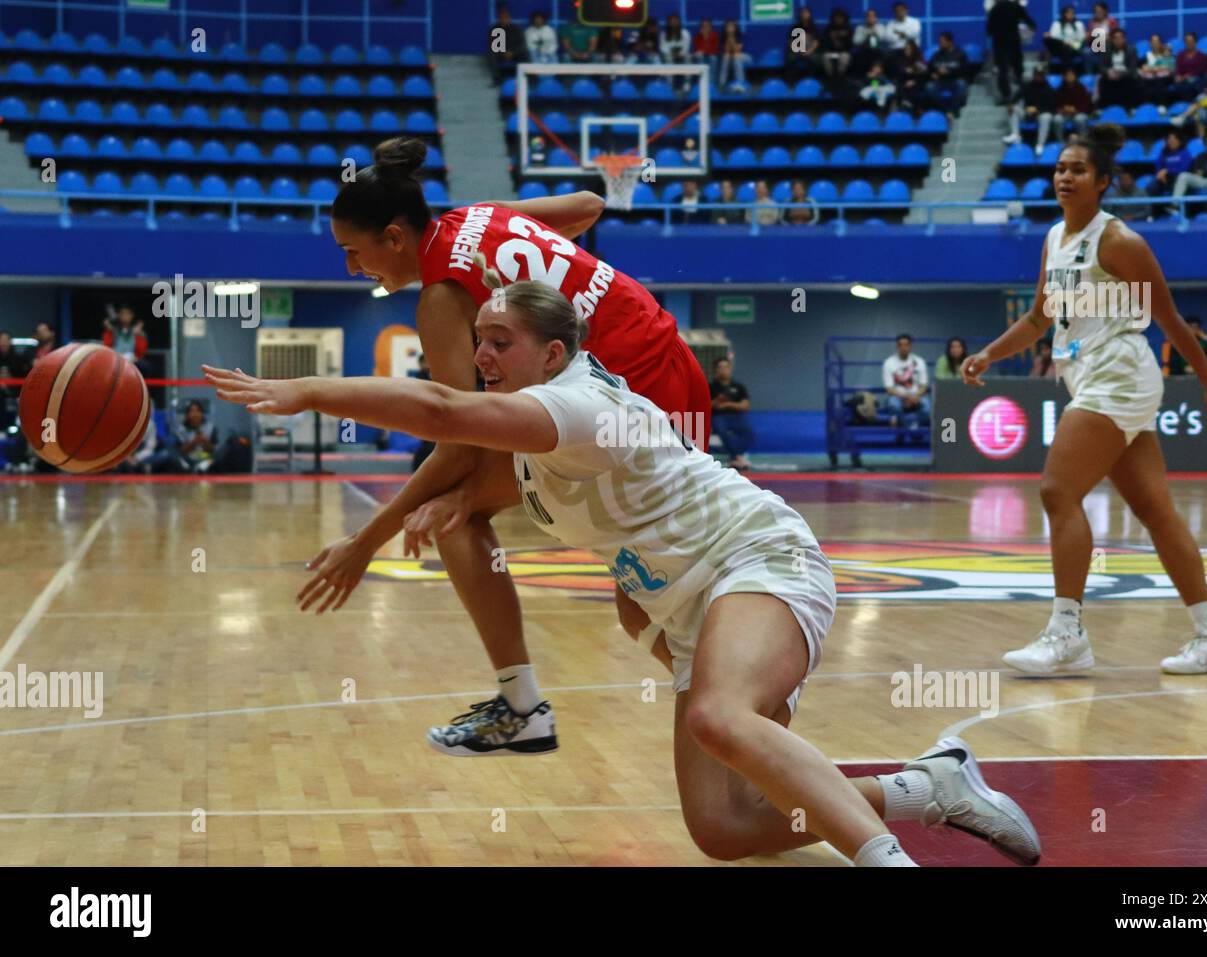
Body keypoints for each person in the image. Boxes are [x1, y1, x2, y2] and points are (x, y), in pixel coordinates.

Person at [204, 282, 1043, 869]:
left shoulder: (579, 405)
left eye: (501, 342)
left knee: (720, 716)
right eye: (479, 339)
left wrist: (309, 389)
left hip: (758, 559)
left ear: (554, 353)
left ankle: (887, 860)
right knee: (723, 826)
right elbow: (500, 477)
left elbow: (446, 412)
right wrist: (442, 508)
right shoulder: (542, 431)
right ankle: (927, 785)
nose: (483, 352)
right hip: (691, 610)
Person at [316, 137, 714, 757]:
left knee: (459, 514)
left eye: (352, 252)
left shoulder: (442, 296)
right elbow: (588, 202)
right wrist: (501, 227)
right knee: (638, 608)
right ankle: (726, 702)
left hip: (635, 401)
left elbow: (455, 445)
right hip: (669, 365)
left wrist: (363, 543)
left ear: (395, 237)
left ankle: (538, 706)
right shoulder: (482, 217)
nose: (349, 268)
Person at [959, 123, 1207, 676]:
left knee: (1056, 490)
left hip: (1119, 373)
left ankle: (1068, 633)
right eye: (1061, 168)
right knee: (1155, 511)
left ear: (1103, 182)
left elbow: (1168, 317)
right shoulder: (1054, 238)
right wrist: (989, 354)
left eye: (1079, 170)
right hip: (1086, 374)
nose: (1065, 176)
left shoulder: (1119, 242)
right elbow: (1040, 317)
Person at [987, 0, 1037, 105]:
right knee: (1018, 68)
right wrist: (1031, 28)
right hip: (1013, 40)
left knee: (1002, 70)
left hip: (999, 42)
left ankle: (1006, 95)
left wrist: (994, 32)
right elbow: (1029, 21)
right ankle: (1021, 93)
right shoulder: (1016, 6)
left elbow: (989, 29)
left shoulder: (995, 8)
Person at [710, 357, 755, 470]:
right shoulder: (710, 387)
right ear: (716, 370)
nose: (725, 370)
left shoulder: (738, 387)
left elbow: (745, 406)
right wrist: (718, 400)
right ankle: (736, 457)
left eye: (727, 367)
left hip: (736, 416)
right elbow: (707, 406)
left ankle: (736, 456)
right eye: (721, 367)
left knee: (749, 432)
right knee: (722, 431)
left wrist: (727, 404)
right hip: (718, 417)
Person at [1005, 66, 1057, 156]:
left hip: (1041, 114)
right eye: (1037, 75)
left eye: (1041, 75)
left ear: (1044, 76)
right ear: (1034, 75)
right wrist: (1011, 104)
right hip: (1027, 113)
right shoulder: (1027, 85)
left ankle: (1040, 144)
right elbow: (1016, 96)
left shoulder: (1049, 89)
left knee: (1046, 117)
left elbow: (1052, 107)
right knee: (1013, 108)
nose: (1039, 77)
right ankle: (1015, 134)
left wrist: (1038, 111)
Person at [882, 333, 930, 431]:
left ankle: (910, 427)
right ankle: (911, 430)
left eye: (906, 345)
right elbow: (889, 389)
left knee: (928, 408)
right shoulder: (889, 363)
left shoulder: (920, 361)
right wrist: (907, 397)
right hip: (897, 397)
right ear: (897, 346)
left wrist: (915, 396)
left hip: (917, 396)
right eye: (900, 345)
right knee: (893, 405)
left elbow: (923, 385)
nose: (903, 347)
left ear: (910, 346)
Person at [1172, 131, 1207, 211]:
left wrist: (1205, 171)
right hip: (1200, 180)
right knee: (1183, 176)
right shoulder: (1201, 156)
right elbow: (1195, 170)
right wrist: (1205, 171)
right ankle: (1174, 205)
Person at [925, 32, 969, 114]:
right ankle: (944, 110)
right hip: (940, 81)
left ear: (950, 42)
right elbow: (929, 68)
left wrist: (949, 72)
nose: (940, 44)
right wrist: (933, 74)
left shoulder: (960, 54)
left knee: (962, 84)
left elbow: (965, 70)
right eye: (940, 42)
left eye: (942, 42)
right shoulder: (937, 54)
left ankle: (954, 109)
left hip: (955, 80)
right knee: (929, 87)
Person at [1096, 28, 1139, 110]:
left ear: (1124, 39)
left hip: (1125, 75)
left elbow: (1133, 68)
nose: (1118, 40)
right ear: (1112, 39)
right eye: (1116, 38)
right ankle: (1105, 108)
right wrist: (1108, 72)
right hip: (1110, 75)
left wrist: (1121, 74)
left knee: (1134, 79)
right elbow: (1101, 66)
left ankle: (1130, 108)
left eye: (1121, 38)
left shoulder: (1131, 49)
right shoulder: (1105, 49)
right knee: (1102, 80)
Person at [1150, 131, 1192, 210]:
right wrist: (1160, 174)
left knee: (1179, 181)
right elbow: (1158, 165)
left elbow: (1184, 169)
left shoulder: (1185, 153)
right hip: (1164, 178)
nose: (1171, 142)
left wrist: (1168, 171)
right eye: (1169, 140)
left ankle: (1174, 208)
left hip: (1178, 178)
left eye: (1173, 140)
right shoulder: (1164, 153)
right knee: (1151, 185)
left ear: (1179, 141)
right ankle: (1152, 212)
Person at [172, 400, 217, 473]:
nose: (195, 414)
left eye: (198, 411)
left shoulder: (211, 428)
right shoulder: (181, 429)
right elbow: (181, 450)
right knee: (171, 454)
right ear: (187, 414)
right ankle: (188, 468)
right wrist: (194, 442)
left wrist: (204, 441)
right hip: (186, 459)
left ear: (202, 414)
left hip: (206, 458)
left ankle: (201, 467)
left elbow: (213, 449)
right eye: (192, 411)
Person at [1052, 66, 1093, 143]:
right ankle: (1060, 141)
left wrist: (1076, 109)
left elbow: (1086, 104)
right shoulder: (1059, 89)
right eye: (1068, 75)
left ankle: (1083, 141)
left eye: (1072, 75)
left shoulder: (1081, 88)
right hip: (1064, 113)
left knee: (1080, 119)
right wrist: (1063, 109)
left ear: (1075, 76)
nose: (1070, 77)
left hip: (1079, 112)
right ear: (1064, 77)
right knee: (1057, 119)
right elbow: (1055, 104)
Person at [487, 5, 525, 84]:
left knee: (524, 53)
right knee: (492, 55)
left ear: (510, 18)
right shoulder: (494, 29)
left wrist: (513, 52)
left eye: (506, 17)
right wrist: (503, 52)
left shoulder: (516, 28)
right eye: (502, 18)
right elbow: (493, 45)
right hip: (501, 53)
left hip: (514, 53)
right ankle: (497, 79)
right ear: (499, 19)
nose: (504, 19)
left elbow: (521, 43)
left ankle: (523, 78)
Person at [1043, 4, 1085, 72]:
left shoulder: (1078, 24)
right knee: (1047, 39)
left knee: (1068, 48)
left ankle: (1068, 72)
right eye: (1068, 13)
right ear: (1064, 14)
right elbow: (1054, 38)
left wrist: (1071, 43)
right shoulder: (1057, 24)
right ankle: (1066, 71)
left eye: (1072, 13)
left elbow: (1081, 39)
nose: (1070, 15)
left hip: (1074, 47)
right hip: (1060, 47)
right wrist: (1063, 42)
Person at [785, 6, 820, 84]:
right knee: (791, 58)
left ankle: (811, 81)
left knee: (814, 59)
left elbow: (816, 42)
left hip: (810, 51)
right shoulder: (795, 27)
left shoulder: (814, 27)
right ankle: (791, 82)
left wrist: (809, 51)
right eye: (803, 13)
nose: (804, 14)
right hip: (797, 51)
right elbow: (791, 42)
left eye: (806, 12)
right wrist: (799, 51)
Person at [1081, 3, 1119, 76]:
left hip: (1109, 46)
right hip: (1095, 45)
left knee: (1104, 48)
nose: (1097, 13)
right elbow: (1089, 37)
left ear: (1105, 11)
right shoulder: (1092, 22)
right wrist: (1089, 35)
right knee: (1086, 52)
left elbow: (1115, 35)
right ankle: (1089, 75)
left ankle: (1104, 73)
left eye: (1100, 11)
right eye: (1095, 11)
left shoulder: (1111, 21)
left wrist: (1106, 37)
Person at [1170, 32, 1207, 103]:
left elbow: (1200, 70)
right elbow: (1178, 68)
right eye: (1187, 41)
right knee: (1176, 86)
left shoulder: (1201, 55)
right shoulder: (1181, 55)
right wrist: (1178, 76)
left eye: (1191, 41)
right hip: (1182, 79)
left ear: (1195, 42)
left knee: (1189, 86)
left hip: (1196, 78)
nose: (1189, 43)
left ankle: (1191, 104)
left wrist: (1186, 76)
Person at [718, 19, 751, 92]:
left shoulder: (740, 36)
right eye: (728, 26)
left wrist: (732, 37)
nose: (730, 28)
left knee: (736, 57)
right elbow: (727, 51)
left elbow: (737, 50)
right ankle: (722, 84)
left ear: (735, 27)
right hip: (731, 55)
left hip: (745, 57)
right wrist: (729, 36)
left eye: (732, 26)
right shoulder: (723, 37)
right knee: (725, 57)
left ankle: (740, 83)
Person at [691, 17, 720, 84]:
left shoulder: (715, 36)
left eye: (707, 26)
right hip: (701, 56)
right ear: (701, 28)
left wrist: (707, 39)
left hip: (711, 55)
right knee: (699, 57)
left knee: (713, 58)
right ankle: (701, 82)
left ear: (711, 27)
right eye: (703, 26)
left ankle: (712, 83)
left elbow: (714, 50)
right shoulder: (697, 37)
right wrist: (703, 37)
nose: (705, 28)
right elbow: (697, 50)